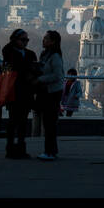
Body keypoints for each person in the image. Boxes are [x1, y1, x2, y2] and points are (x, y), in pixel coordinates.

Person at [1, 28, 37, 159]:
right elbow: (14, 67)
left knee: (22, 123)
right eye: (23, 40)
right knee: (13, 122)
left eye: (27, 40)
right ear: (15, 40)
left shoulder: (30, 54)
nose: (25, 42)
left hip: (26, 92)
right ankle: (10, 149)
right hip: (14, 92)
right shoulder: (9, 52)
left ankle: (21, 148)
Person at [34, 31, 65, 161]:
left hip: (52, 93)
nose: (43, 40)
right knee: (48, 123)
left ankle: (49, 152)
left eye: (46, 38)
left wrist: (40, 79)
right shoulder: (45, 55)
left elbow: (57, 76)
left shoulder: (55, 56)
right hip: (47, 92)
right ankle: (52, 150)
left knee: (49, 123)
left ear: (53, 42)